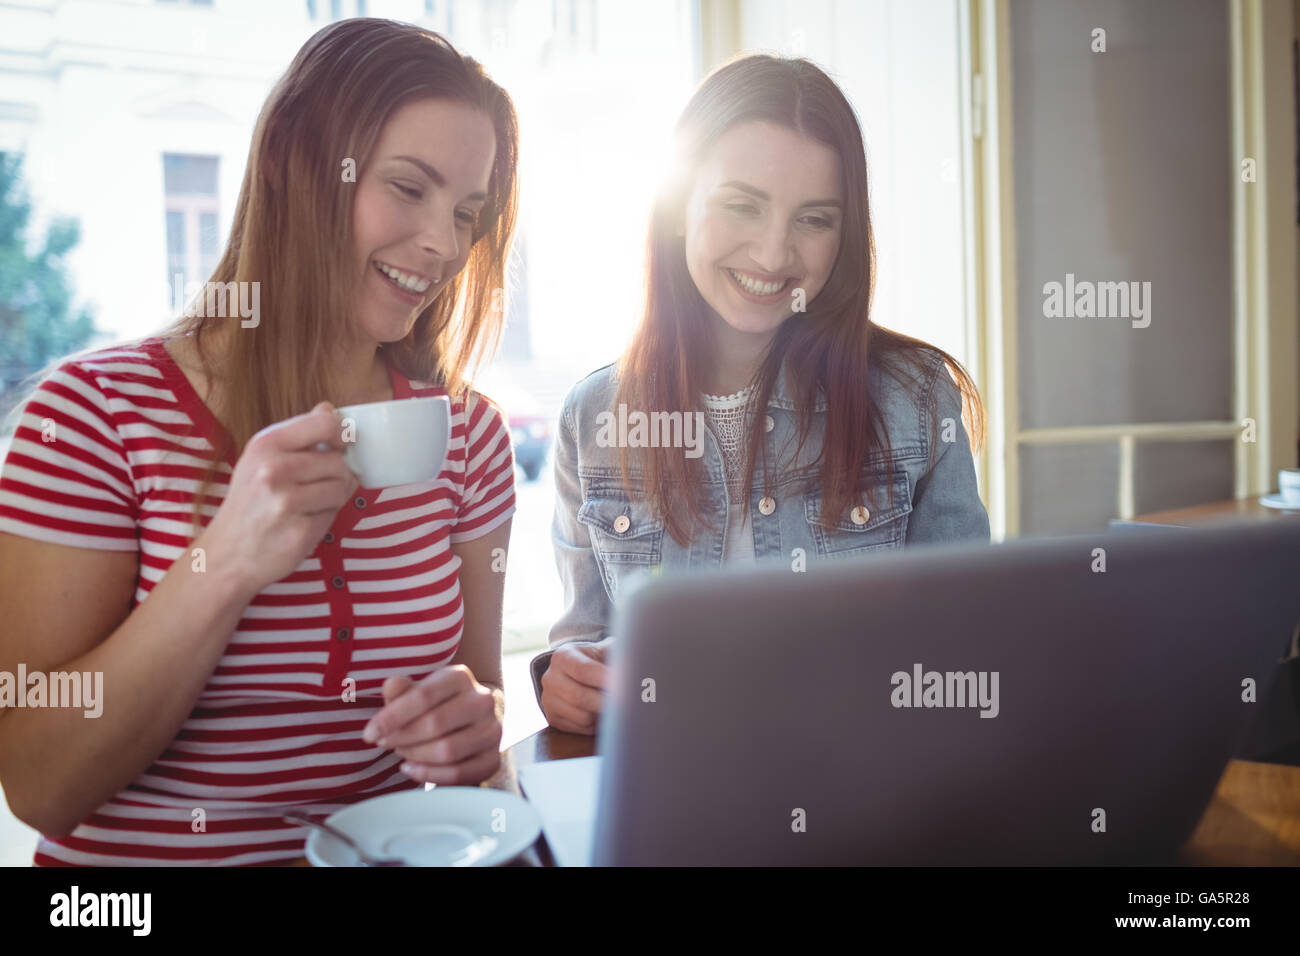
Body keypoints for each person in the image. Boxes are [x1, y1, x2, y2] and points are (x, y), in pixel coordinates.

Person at [0, 19, 519, 865]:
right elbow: (38, 785)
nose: (444, 245)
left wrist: (476, 727)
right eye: (408, 187)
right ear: (285, 158)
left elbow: (479, 691)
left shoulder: (468, 437)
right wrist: (226, 563)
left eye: (467, 212)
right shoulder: (88, 416)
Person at [534, 54, 990, 735]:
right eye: (742, 205)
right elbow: (585, 641)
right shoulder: (593, 417)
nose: (775, 255)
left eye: (814, 219)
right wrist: (560, 679)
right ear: (678, 210)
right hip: (676, 796)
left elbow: (971, 656)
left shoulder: (916, 399)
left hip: (868, 794)